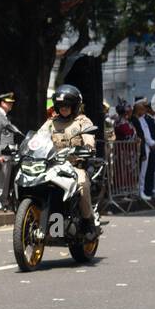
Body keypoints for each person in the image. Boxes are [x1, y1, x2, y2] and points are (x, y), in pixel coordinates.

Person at [37, 84, 99, 234]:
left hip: (74, 167)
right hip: (52, 166)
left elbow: (89, 137)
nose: (63, 108)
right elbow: (38, 137)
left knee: (82, 183)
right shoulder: (51, 123)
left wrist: (89, 147)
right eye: (60, 105)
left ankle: (87, 221)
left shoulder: (82, 122)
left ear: (74, 106)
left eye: (67, 105)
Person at [0, 92, 18, 210]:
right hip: (1, 154)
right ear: (1, 103)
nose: (10, 104)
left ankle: (2, 201)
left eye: (11, 102)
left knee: (4, 180)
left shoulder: (4, 116)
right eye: (7, 102)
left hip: (7, 153)